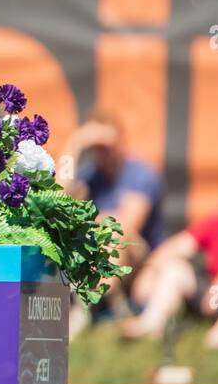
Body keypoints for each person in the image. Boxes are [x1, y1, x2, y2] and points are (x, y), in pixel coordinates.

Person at [120, 170, 218, 348]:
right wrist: (150, 269)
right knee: (175, 268)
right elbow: (178, 246)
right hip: (214, 297)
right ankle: (151, 323)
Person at [63, 108, 164, 312]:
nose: (103, 153)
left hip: (140, 258)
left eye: (107, 145)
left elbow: (126, 226)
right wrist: (74, 144)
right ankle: (95, 302)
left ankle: (91, 303)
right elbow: (60, 199)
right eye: (97, 147)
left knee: (113, 239)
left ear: (121, 140)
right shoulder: (89, 175)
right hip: (94, 250)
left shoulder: (140, 174)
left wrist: (87, 221)